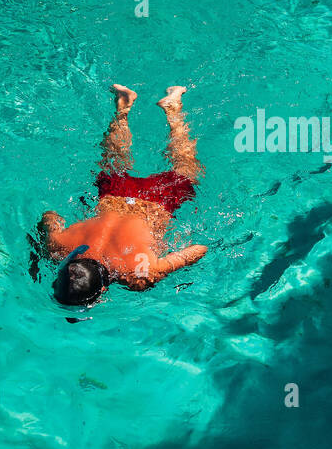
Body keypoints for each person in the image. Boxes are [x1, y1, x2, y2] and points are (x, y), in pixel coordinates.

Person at [38, 85, 207, 306]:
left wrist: (157, 273)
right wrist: (43, 247)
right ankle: (123, 107)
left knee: (186, 170)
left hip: (156, 204)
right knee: (113, 160)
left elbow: (198, 250)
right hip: (113, 196)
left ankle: (173, 108)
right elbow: (49, 216)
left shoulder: (140, 270)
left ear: (104, 289)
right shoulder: (59, 245)